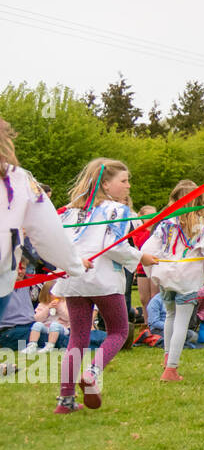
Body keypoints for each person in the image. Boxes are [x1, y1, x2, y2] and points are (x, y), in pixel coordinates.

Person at [51, 158, 150, 412]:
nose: (128, 186)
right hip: (103, 279)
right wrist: (141, 258)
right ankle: (93, 373)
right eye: (124, 181)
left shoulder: (69, 211)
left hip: (74, 280)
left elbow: (57, 246)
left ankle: (65, 400)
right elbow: (115, 246)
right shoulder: (117, 210)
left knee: (78, 337)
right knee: (118, 330)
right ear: (105, 184)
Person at [142, 180, 204, 382]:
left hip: (165, 276)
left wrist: (151, 271)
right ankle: (171, 369)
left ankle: (167, 357)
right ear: (200, 201)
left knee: (171, 315)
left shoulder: (165, 224)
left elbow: (147, 250)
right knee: (181, 321)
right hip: (187, 280)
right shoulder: (203, 229)